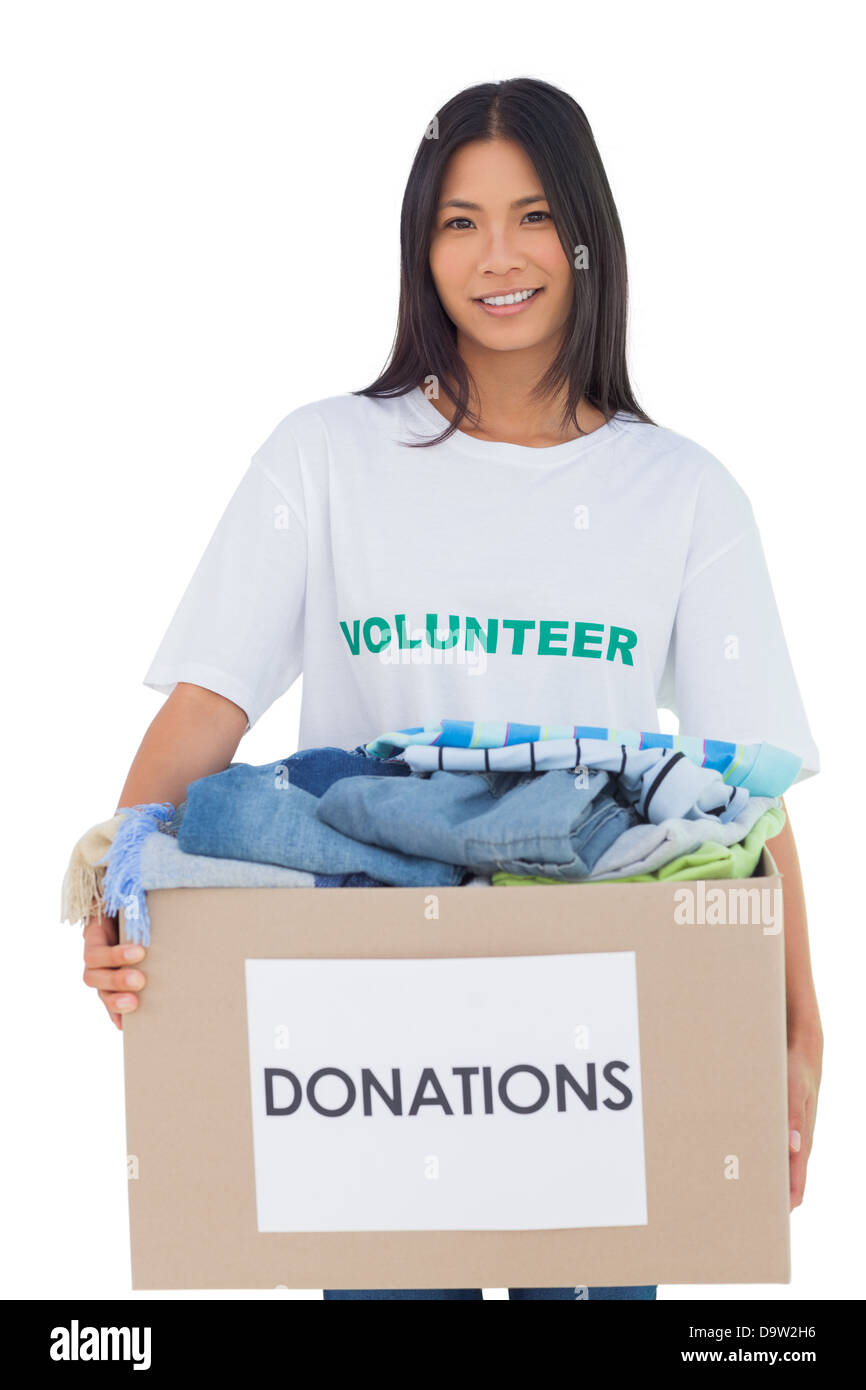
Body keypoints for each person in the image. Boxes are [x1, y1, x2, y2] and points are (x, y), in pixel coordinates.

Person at [80, 77, 823, 1301]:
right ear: (421, 248)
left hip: (598, 1020)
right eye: (457, 222)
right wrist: (118, 892)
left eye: (530, 216)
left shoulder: (684, 493)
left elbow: (744, 793)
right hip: (365, 1031)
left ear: (583, 234)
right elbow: (207, 715)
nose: (496, 258)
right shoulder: (324, 458)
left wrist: (800, 1033)